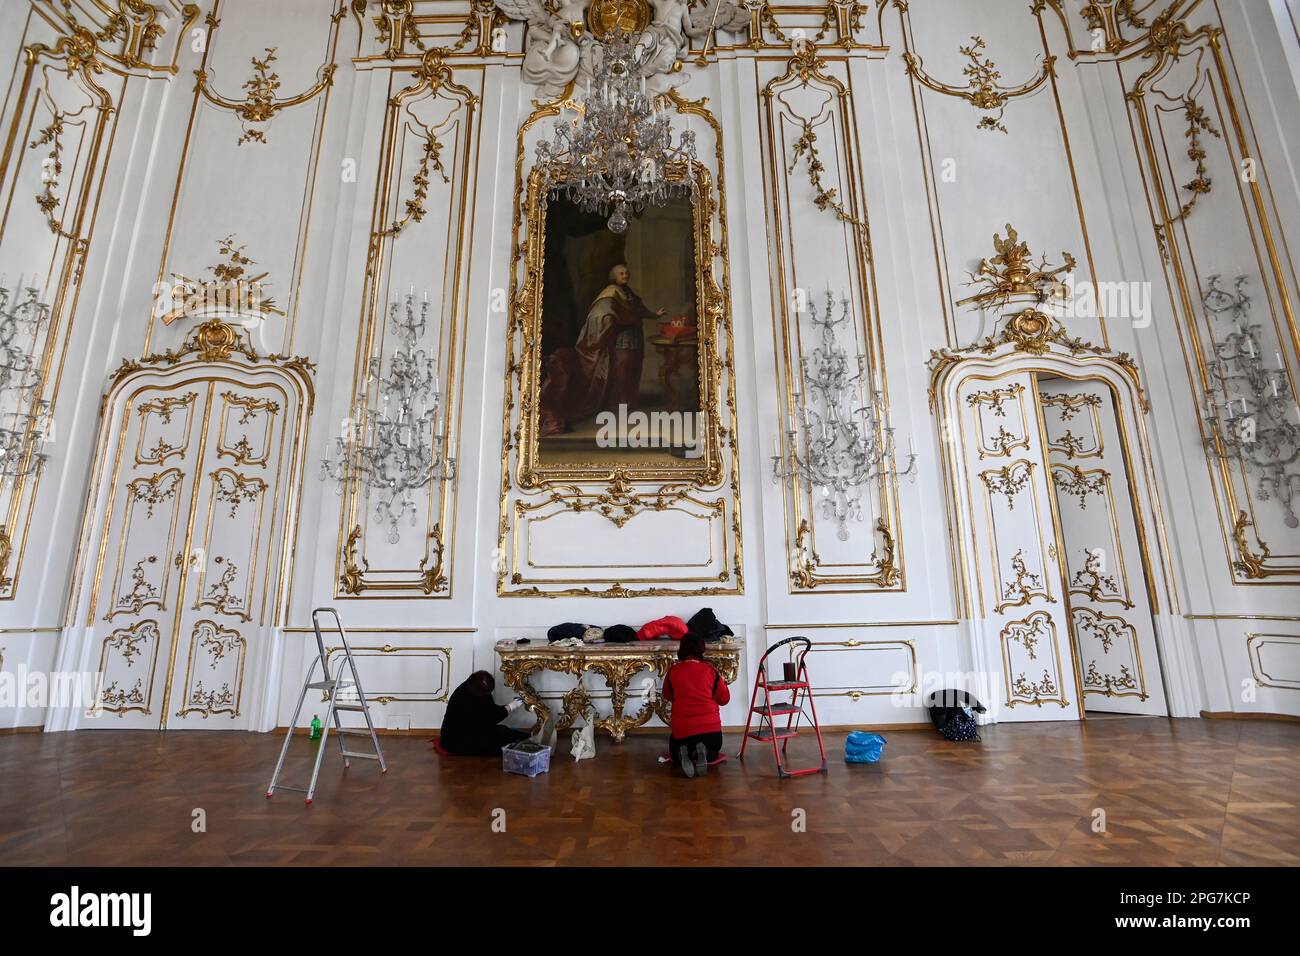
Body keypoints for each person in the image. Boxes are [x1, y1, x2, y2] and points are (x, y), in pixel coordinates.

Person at [538, 263, 666, 435]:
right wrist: (614, 320)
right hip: (620, 339)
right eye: (621, 273)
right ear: (614, 276)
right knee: (621, 367)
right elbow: (601, 313)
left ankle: (628, 401)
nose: (625, 276)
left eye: (626, 273)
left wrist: (654, 315)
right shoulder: (610, 293)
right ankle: (617, 404)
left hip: (634, 337)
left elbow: (639, 310)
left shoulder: (628, 292)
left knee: (633, 367)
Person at [661, 632, 730, 778]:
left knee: (675, 750)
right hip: (712, 733)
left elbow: (667, 696)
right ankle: (705, 752)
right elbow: (725, 699)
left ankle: (682, 753)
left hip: (682, 733)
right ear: (701, 649)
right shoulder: (711, 671)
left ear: (682, 649)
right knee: (713, 753)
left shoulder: (673, 671)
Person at [439, 671, 529, 756]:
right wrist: (510, 707)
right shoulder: (465, 698)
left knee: (505, 731)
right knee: (502, 744)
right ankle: (530, 742)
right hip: (456, 741)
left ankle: (531, 738)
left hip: (473, 731)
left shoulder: (474, 688)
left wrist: (508, 708)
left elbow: (490, 711)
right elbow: (490, 718)